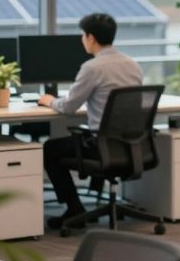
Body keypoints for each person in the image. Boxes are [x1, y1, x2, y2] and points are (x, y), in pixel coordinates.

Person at [39, 12, 143, 230]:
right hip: (130, 145)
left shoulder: (92, 68)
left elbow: (68, 107)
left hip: (100, 146)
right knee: (90, 134)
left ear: (91, 38)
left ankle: (75, 209)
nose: (82, 39)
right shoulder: (133, 64)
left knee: (49, 149)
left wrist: (49, 101)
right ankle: (90, 202)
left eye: (83, 35)